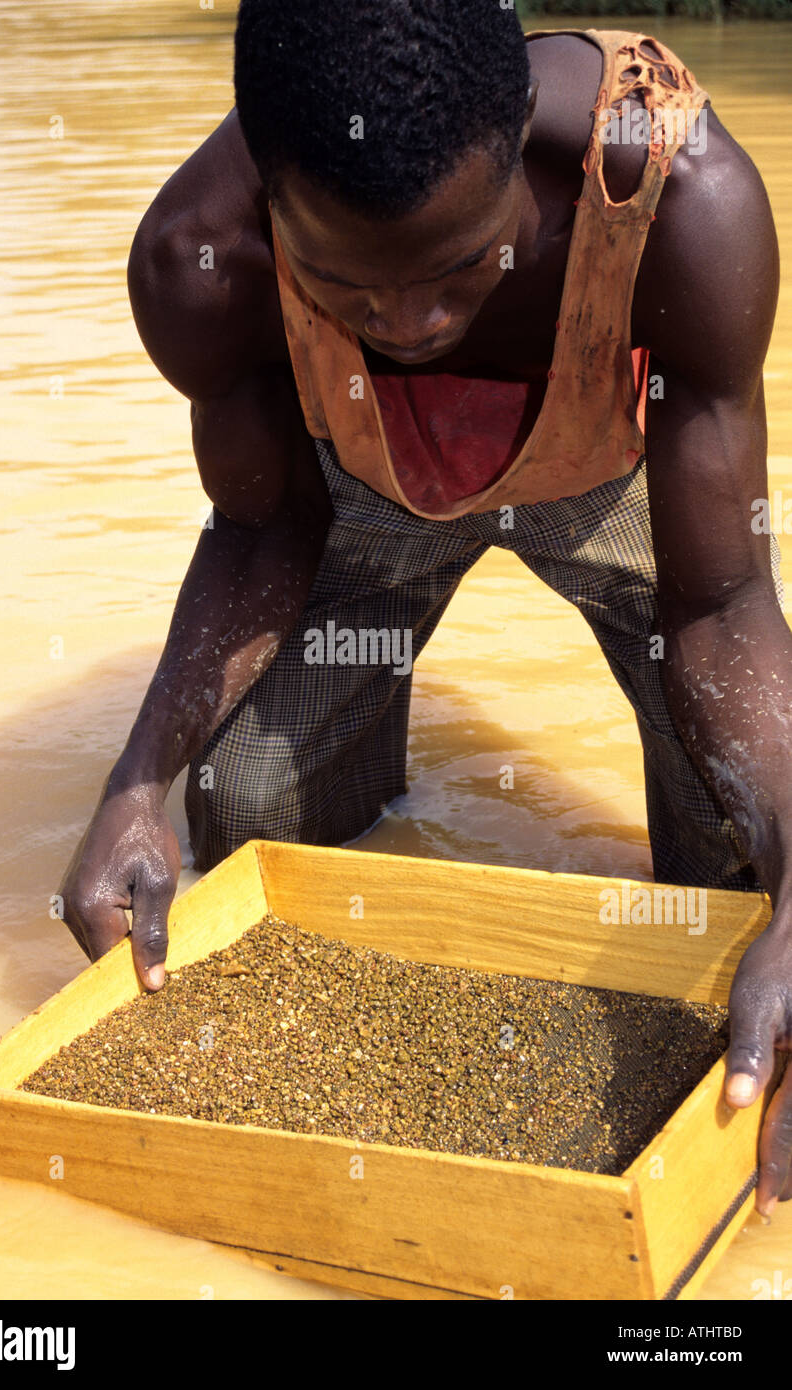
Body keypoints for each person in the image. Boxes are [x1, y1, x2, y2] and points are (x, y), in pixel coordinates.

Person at [59, 2, 792, 1217]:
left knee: (732, 865)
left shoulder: (677, 199)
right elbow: (257, 525)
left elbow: (721, 598)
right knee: (247, 816)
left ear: (518, 146)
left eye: (462, 266)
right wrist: (133, 784)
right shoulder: (198, 262)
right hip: (361, 488)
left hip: (608, 472)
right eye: (346, 284)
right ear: (267, 200)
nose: (409, 325)